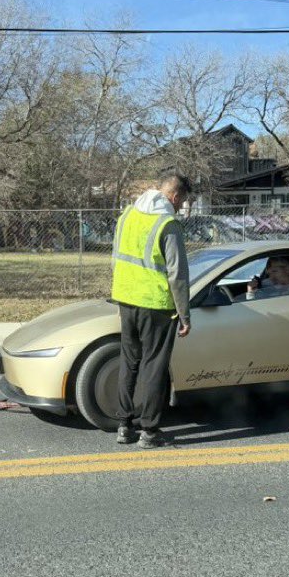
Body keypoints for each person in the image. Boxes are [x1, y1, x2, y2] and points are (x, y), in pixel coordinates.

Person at [111, 174, 191, 449]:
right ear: (175, 197)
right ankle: (149, 431)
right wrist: (184, 314)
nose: (181, 207)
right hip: (156, 305)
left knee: (129, 361)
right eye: (182, 201)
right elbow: (177, 275)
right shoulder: (168, 224)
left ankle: (123, 425)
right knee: (153, 367)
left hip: (126, 299)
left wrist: (122, 291)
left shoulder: (127, 215)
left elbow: (115, 257)